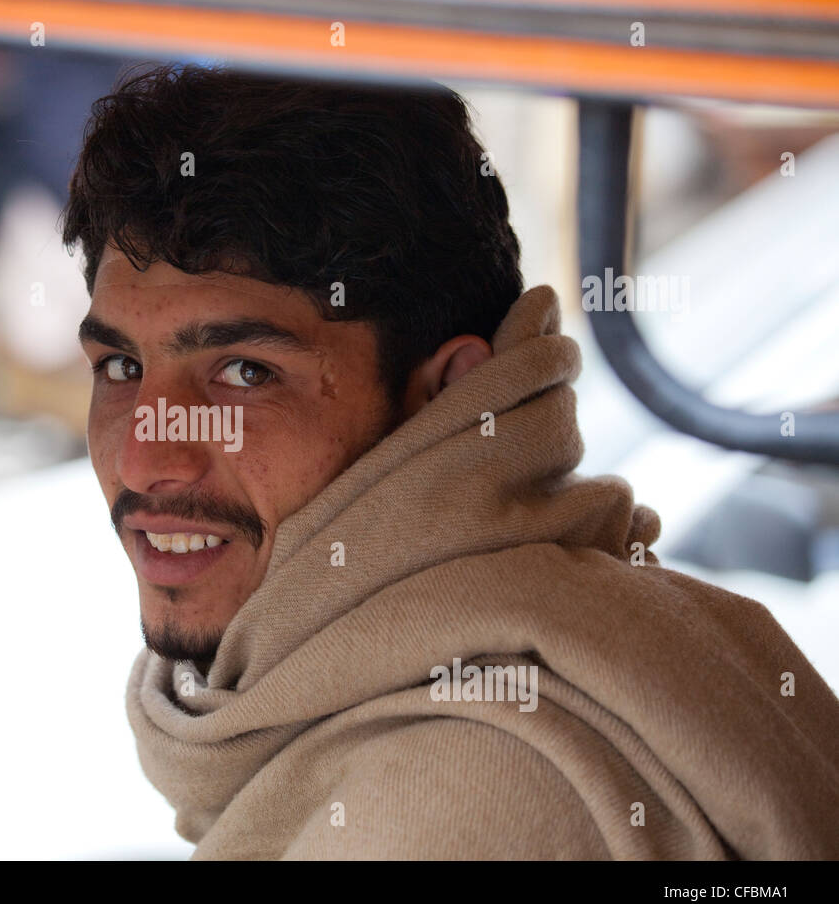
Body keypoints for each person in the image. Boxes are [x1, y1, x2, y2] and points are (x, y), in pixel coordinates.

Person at [62, 64, 839, 859]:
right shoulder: (590, 645)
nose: (144, 456)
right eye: (121, 369)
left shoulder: (456, 795)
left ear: (448, 400)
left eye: (245, 373)